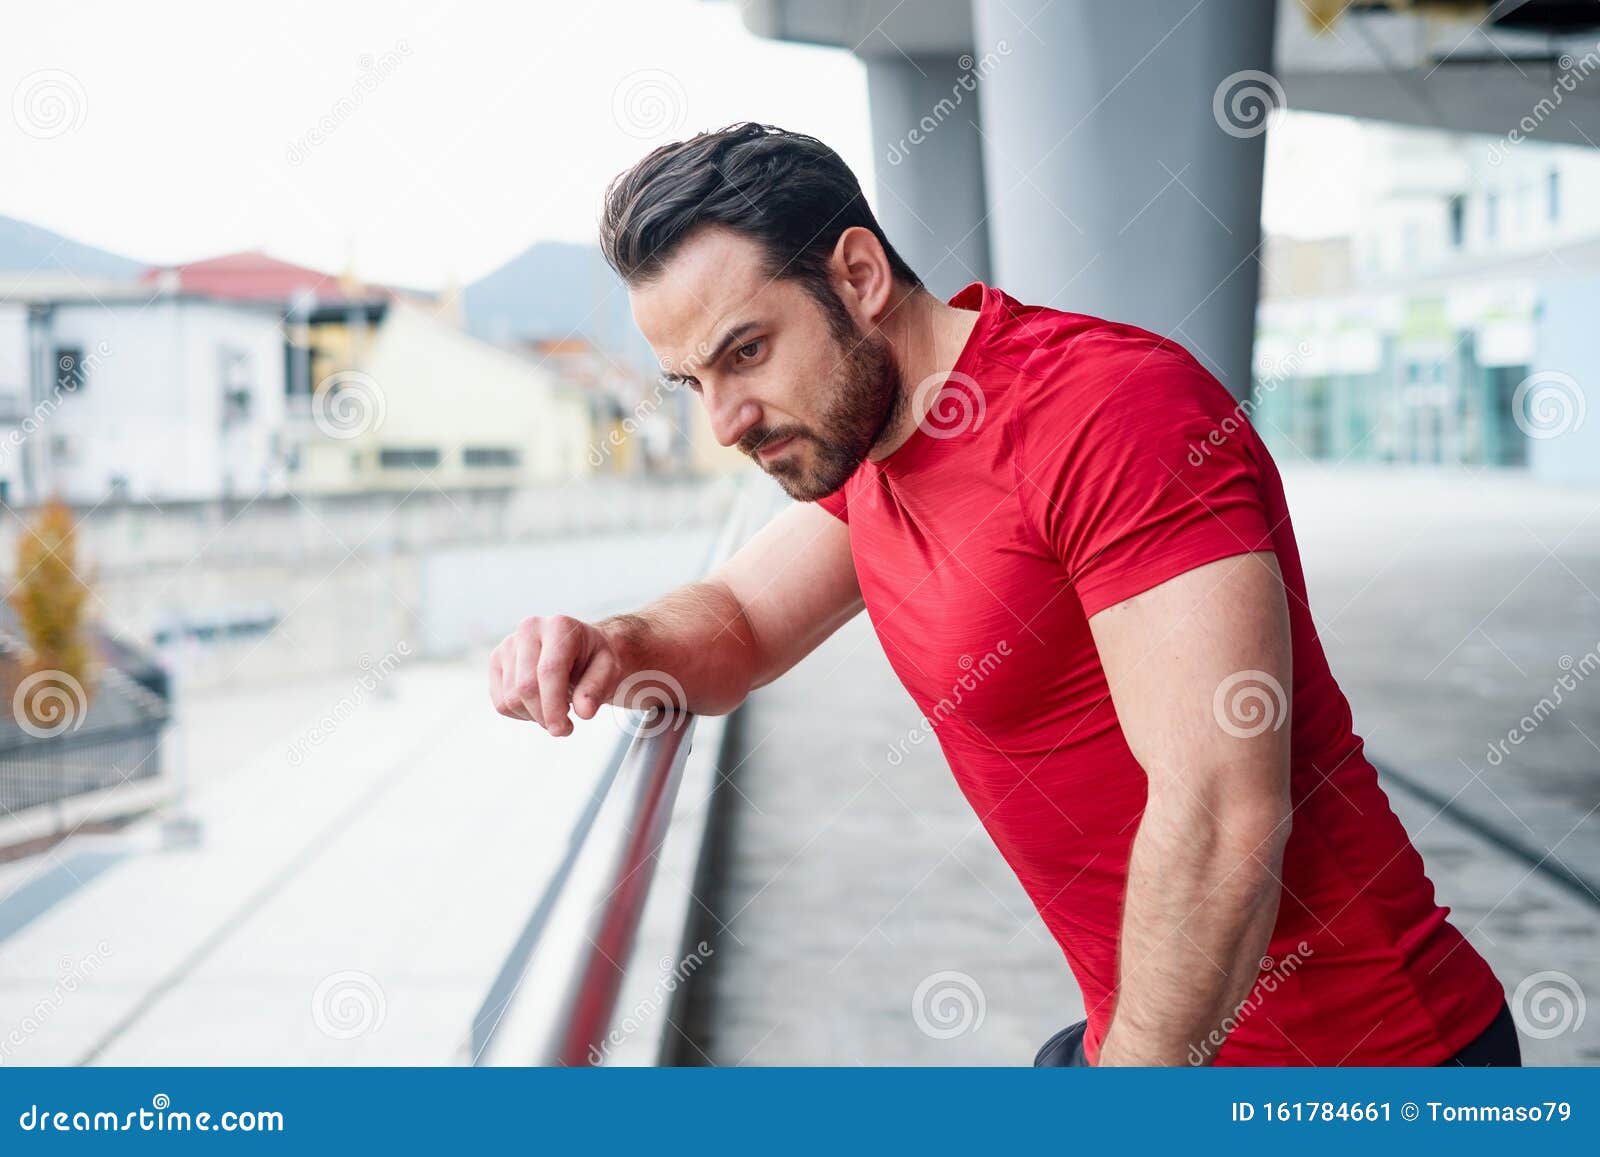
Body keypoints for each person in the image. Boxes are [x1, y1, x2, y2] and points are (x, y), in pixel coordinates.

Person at [487, 123, 1518, 1067]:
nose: (724, 420)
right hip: (1161, 1041)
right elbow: (741, 623)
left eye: (745, 353)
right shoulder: (876, 451)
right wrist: (610, 643)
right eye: (690, 382)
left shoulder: (1109, 413)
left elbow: (1220, 814)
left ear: (857, 275)